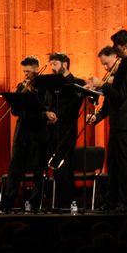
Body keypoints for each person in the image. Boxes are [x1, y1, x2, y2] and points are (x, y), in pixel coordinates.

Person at [87, 30, 127, 213]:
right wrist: (98, 116)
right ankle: (114, 200)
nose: (115, 48)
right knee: (114, 163)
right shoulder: (125, 65)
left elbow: (121, 95)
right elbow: (114, 99)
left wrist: (102, 85)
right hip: (121, 124)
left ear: (126, 46)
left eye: (117, 46)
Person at [0, 56, 57, 212]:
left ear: (37, 69)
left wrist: (32, 95)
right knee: (14, 169)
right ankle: (7, 204)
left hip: (38, 134)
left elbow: (47, 108)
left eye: (29, 72)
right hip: (22, 134)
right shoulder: (21, 86)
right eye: (24, 71)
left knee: (39, 170)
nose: (26, 75)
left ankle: (34, 204)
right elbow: (16, 111)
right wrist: (20, 94)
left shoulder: (45, 86)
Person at [46, 52, 85, 210]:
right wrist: (47, 113)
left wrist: (59, 116)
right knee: (55, 165)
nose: (53, 68)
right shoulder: (51, 83)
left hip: (67, 128)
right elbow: (47, 102)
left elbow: (74, 106)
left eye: (55, 64)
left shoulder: (77, 83)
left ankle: (69, 201)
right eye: (52, 65)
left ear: (65, 64)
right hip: (51, 129)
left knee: (65, 164)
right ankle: (61, 202)